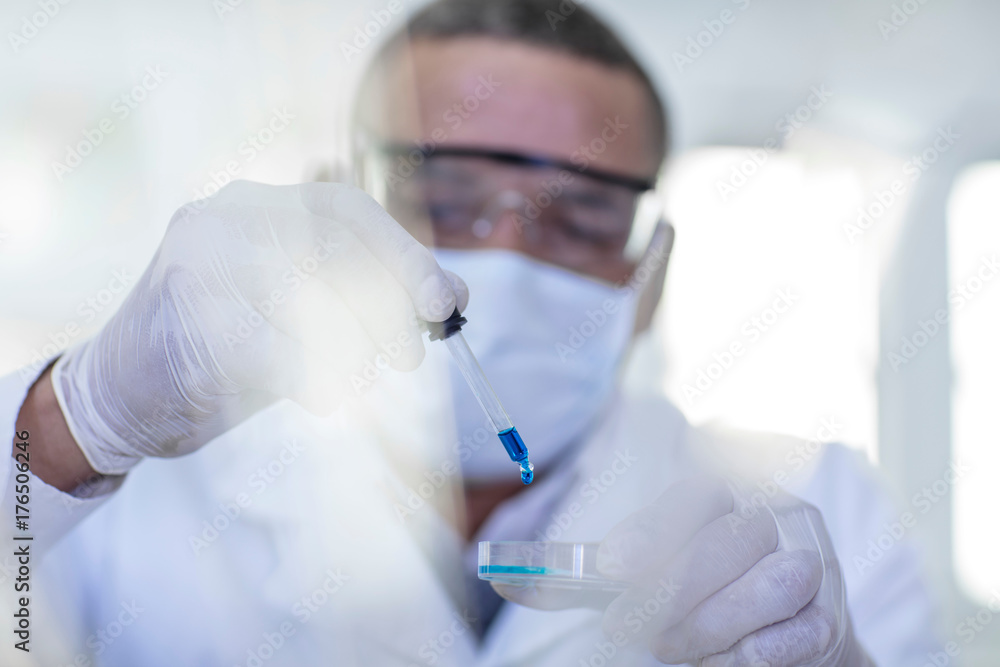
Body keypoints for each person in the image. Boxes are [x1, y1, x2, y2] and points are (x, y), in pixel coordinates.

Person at [1, 1, 939, 665]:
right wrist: (73, 424)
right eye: (443, 197)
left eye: (576, 219)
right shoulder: (140, 501)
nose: (503, 252)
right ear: (334, 199)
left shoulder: (812, 516)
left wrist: (834, 662)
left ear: (649, 278)